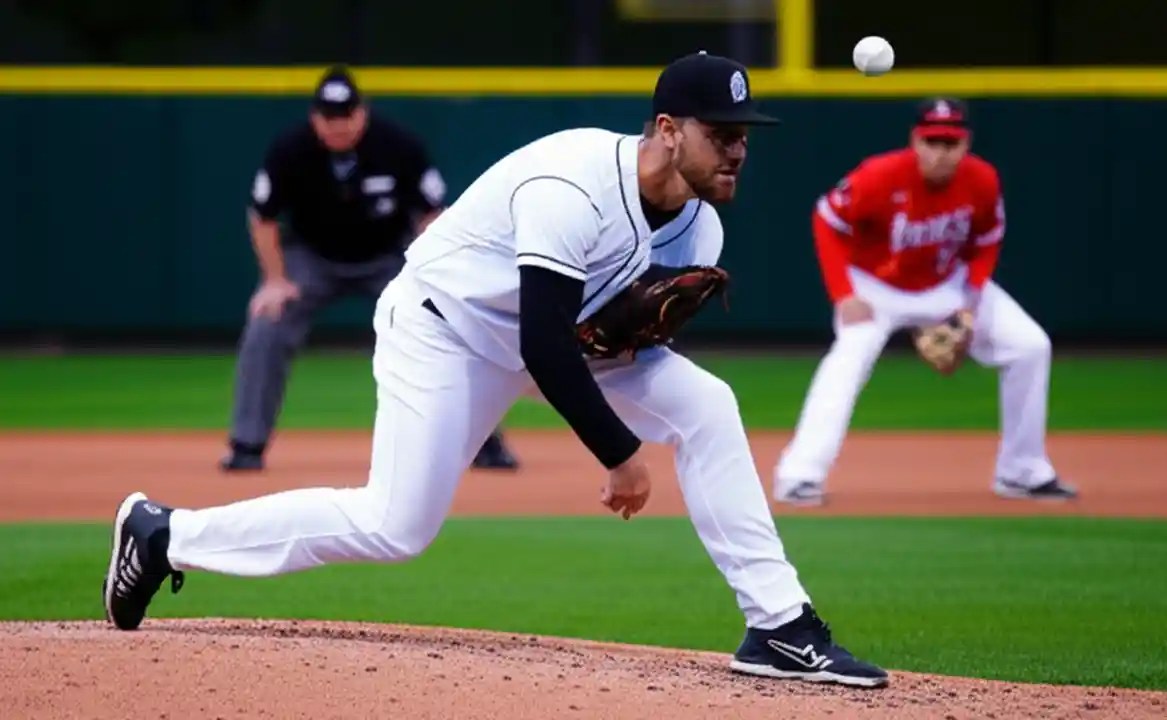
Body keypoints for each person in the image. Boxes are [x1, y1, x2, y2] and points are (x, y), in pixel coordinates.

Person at [102, 51, 889, 689]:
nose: (739, 149)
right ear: (667, 130)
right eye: (723, 133)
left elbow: (595, 344)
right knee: (396, 526)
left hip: (553, 340)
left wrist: (630, 354)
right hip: (444, 330)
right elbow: (545, 343)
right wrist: (620, 455)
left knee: (708, 405)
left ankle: (779, 626)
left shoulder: (699, 231)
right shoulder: (573, 183)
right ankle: (166, 534)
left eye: (745, 134)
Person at [773, 97, 1078, 507]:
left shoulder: (983, 180)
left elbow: (987, 240)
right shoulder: (879, 176)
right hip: (875, 288)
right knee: (848, 358)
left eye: (950, 143)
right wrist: (844, 294)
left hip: (947, 285)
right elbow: (826, 219)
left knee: (1029, 345)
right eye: (931, 141)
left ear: (966, 143)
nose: (940, 152)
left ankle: (1022, 471)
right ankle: (799, 476)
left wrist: (969, 299)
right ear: (915, 141)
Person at [221, 64, 519, 474]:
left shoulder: (397, 145)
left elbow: (432, 214)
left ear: (363, 112)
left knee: (449, 320)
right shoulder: (291, 149)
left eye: (346, 115)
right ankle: (246, 444)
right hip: (313, 258)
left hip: (387, 257)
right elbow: (263, 216)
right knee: (268, 321)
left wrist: (437, 276)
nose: (338, 125)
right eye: (329, 116)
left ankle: (486, 440)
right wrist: (274, 280)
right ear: (315, 117)